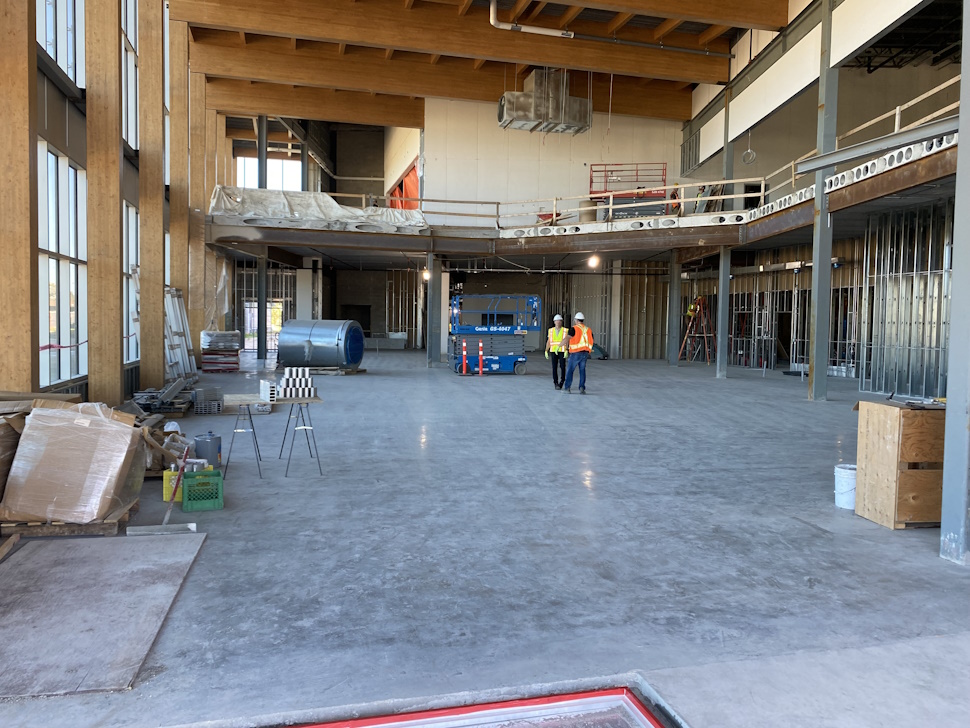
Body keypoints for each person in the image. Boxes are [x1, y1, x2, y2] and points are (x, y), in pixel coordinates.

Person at [563, 312, 594, 394]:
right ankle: (582, 388)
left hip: (575, 353)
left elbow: (567, 338)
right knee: (582, 371)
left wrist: (560, 345)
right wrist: (589, 351)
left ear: (576, 320)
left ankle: (567, 388)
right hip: (585, 353)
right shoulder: (588, 329)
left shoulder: (574, 328)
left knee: (570, 370)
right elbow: (591, 340)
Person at [545, 314, 567, 390]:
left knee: (562, 367)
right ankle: (556, 382)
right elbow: (549, 341)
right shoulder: (550, 330)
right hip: (553, 351)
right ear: (554, 322)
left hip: (562, 351)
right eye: (557, 321)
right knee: (554, 367)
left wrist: (567, 350)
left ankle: (562, 381)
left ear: (562, 322)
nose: (558, 322)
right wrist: (546, 350)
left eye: (559, 321)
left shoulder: (565, 330)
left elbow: (567, 341)